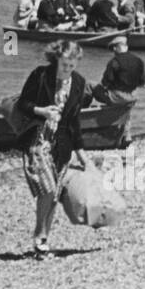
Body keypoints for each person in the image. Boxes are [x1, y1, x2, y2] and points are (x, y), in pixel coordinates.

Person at [15, 40, 93, 257]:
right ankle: (39, 233)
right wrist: (42, 111)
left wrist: (82, 155)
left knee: (54, 194)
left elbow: (74, 121)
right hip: (38, 140)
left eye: (71, 66)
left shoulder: (78, 83)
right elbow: (23, 104)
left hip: (62, 144)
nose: (67, 69)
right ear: (56, 59)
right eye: (63, 65)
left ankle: (42, 241)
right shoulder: (40, 76)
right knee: (47, 190)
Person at [97, 35, 145, 144]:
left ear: (115, 48)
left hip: (117, 97)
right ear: (126, 47)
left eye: (113, 49)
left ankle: (88, 119)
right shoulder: (139, 61)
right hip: (132, 97)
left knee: (90, 87)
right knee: (126, 109)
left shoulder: (114, 62)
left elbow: (104, 83)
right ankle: (127, 135)